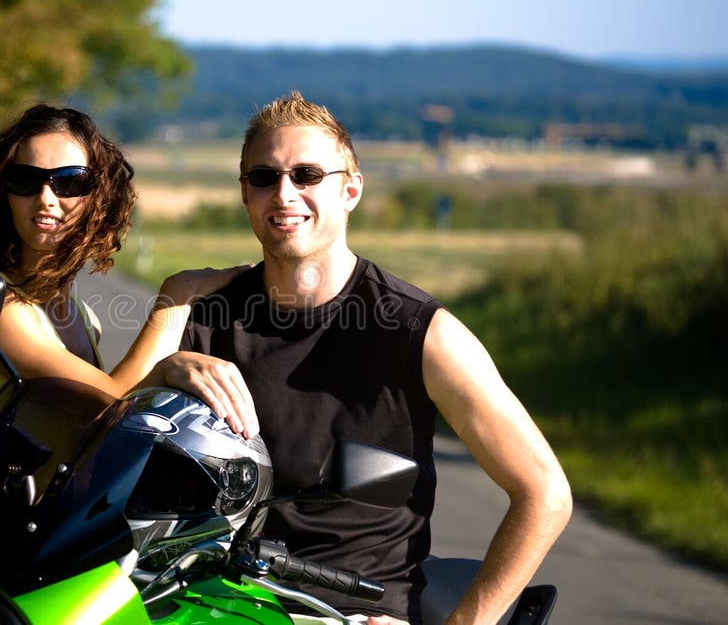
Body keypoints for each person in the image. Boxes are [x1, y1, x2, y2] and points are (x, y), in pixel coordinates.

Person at [178, 92, 572, 624]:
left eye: (308, 174)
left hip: (348, 611)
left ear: (351, 190)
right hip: (211, 601)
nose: (284, 193)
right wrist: (164, 368)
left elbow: (544, 493)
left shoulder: (419, 332)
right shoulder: (205, 318)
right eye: (264, 177)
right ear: (245, 194)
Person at [0, 103, 251, 422]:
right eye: (25, 179)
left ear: (98, 198)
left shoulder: (84, 319)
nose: (46, 197)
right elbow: (109, 404)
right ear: (4, 193)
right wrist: (177, 295)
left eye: (69, 181)